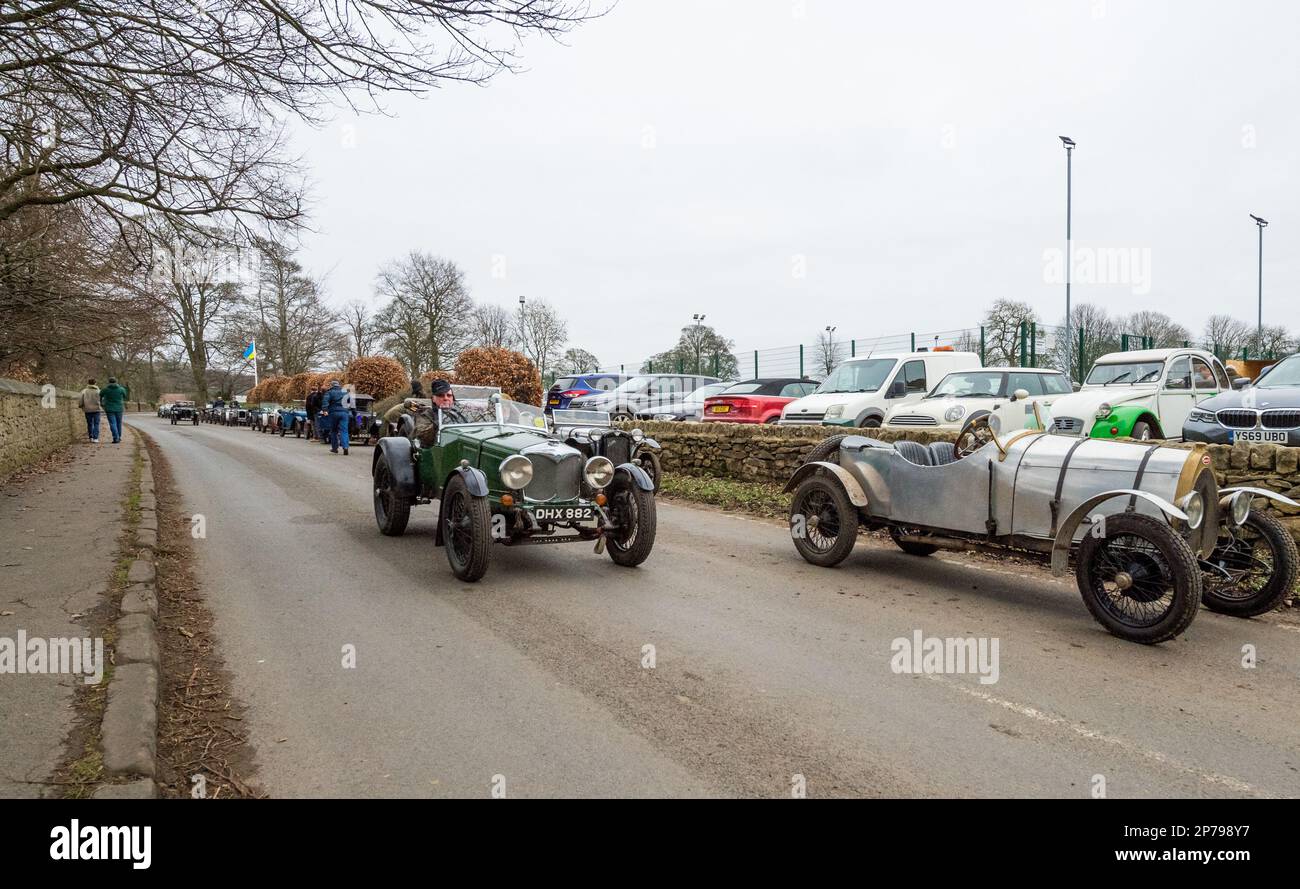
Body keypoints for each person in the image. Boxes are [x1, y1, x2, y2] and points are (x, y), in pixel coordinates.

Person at [320, 379, 351, 455]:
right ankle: (345, 447)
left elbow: (325, 401)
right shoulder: (345, 392)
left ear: (332, 385)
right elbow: (350, 401)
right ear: (338, 385)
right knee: (344, 430)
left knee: (334, 431)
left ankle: (335, 448)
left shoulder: (329, 392)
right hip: (344, 413)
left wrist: (325, 410)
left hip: (334, 413)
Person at [99, 377, 130, 444]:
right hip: (119, 408)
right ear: (116, 381)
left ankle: (116, 437)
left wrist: (102, 403)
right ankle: (118, 437)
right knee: (119, 423)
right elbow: (125, 396)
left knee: (112, 423)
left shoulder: (105, 389)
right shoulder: (121, 389)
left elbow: (100, 395)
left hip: (109, 408)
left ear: (109, 382)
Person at [78, 378, 102, 443]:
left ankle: (91, 437)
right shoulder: (99, 391)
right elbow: (102, 400)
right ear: (95, 383)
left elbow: (80, 399)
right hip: (97, 409)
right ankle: (95, 438)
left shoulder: (84, 391)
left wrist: (81, 405)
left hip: (87, 409)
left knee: (89, 423)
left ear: (88, 383)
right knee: (96, 423)